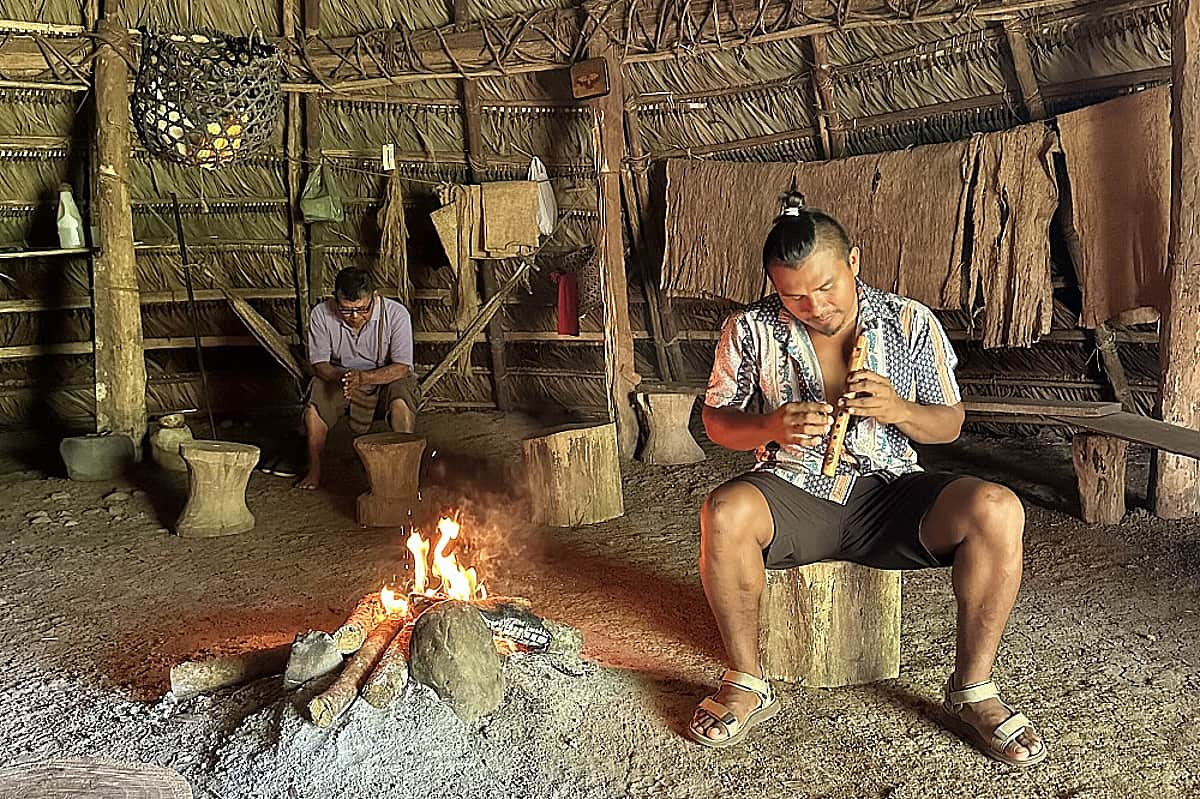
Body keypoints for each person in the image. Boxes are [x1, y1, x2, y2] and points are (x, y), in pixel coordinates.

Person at [685, 192, 1046, 767]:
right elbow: (715, 420)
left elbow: (948, 423)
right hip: (794, 491)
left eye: (826, 286)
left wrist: (899, 409)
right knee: (723, 512)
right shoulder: (749, 328)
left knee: (998, 508)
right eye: (793, 295)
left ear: (854, 260)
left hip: (890, 493)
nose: (814, 306)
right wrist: (771, 426)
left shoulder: (907, 321)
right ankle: (746, 680)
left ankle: (972, 689)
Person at [297, 267, 420, 490]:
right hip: (341, 378)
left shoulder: (396, 315)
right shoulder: (321, 314)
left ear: (375, 297)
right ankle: (314, 470)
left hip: (384, 378)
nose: (355, 316)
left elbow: (402, 367)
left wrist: (364, 378)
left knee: (401, 398)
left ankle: (404, 469)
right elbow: (320, 364)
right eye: (346, 310)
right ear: (336, 299)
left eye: (362, 309)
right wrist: (344, 377)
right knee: (316, 396)